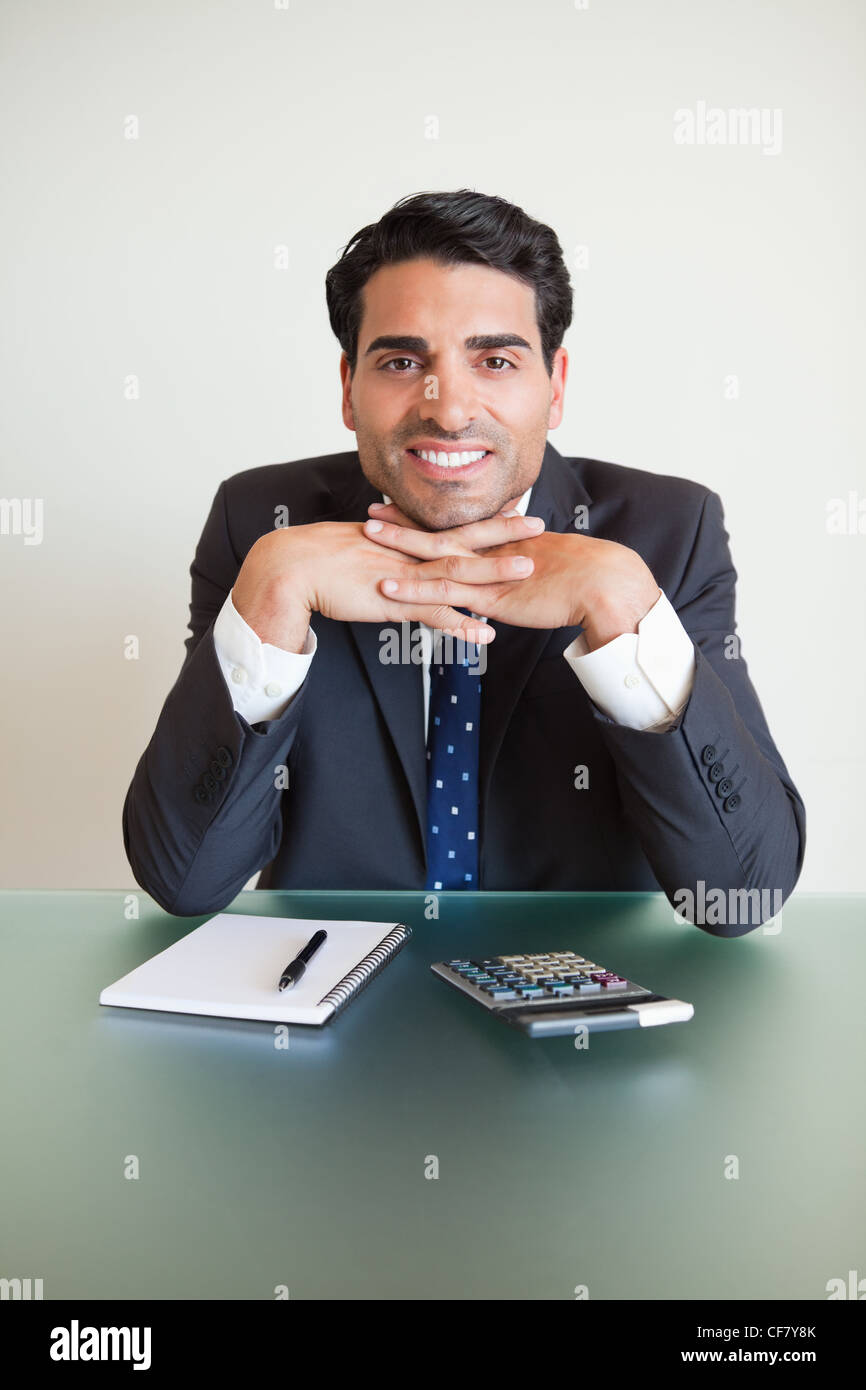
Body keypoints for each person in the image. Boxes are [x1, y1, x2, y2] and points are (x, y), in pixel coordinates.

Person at [122, 189, 805, 934]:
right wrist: (272, 595)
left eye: (497, 360)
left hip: (580, 1013)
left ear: (556, 386)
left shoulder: (671, 531)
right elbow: (184, 879)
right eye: (403, 360)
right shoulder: (260, 527)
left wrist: (624, 612)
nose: (448, 408)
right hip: (336, 1015)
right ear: (349, 388)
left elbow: (747, 891)